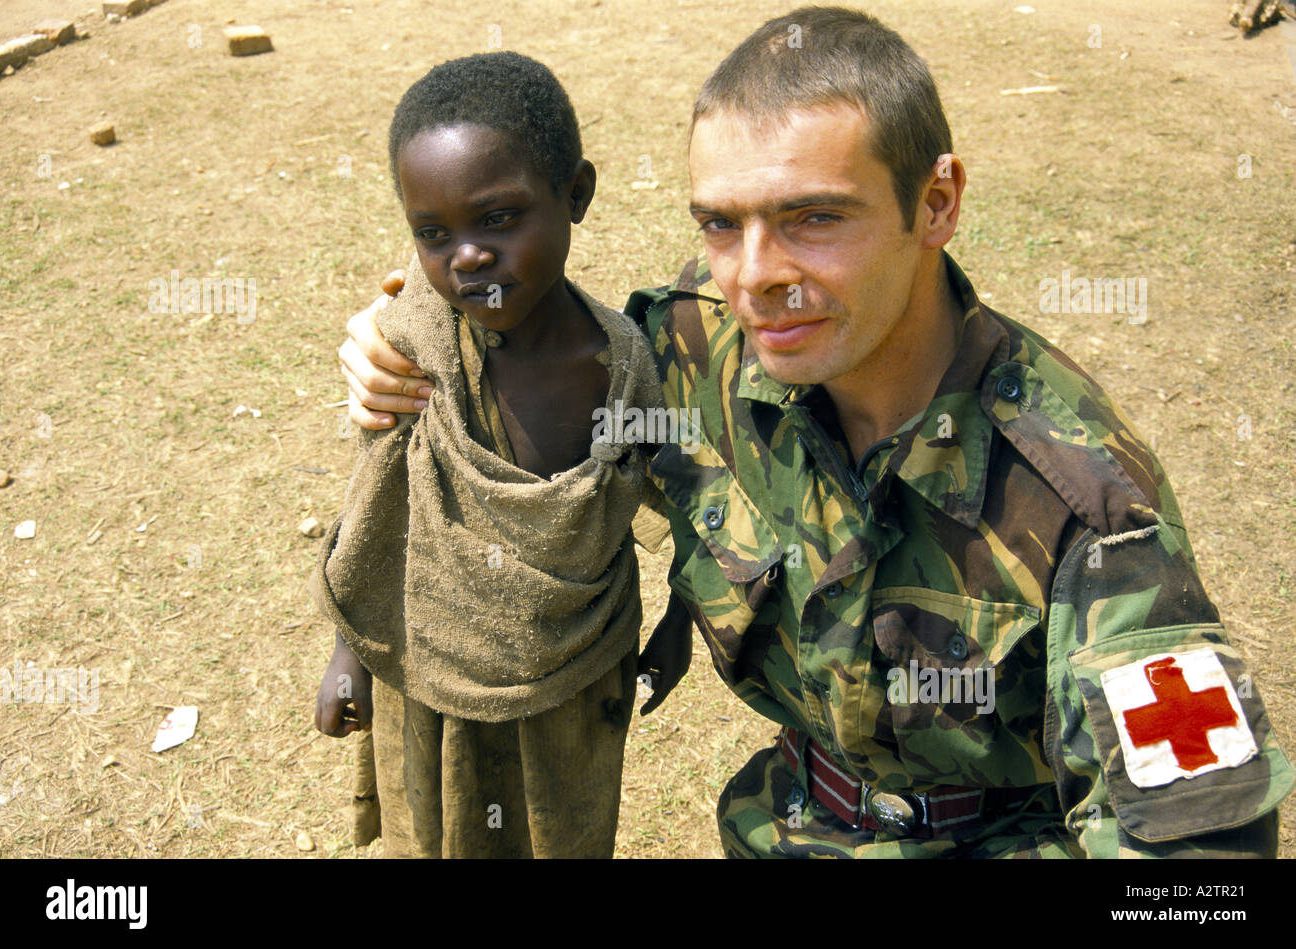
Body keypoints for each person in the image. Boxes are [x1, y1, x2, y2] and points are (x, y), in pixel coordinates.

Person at [336, 9, 1293, 857]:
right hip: (787, 817)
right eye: (721, 222)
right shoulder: (696, 343)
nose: (755, 276)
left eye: (813, 217)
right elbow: (518, 324)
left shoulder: (1085, 512)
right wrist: (392, 335)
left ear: (937, 203)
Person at [312, 51, 682, 858]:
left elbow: (677, 499)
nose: (467, 258)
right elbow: (378, 508)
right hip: (428, 679)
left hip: (572, 691)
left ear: (576, 194)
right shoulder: (415, 349)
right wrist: (351, 652)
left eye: (500, 218)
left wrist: (682, 620)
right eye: (432, 234)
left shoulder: (620, 368)